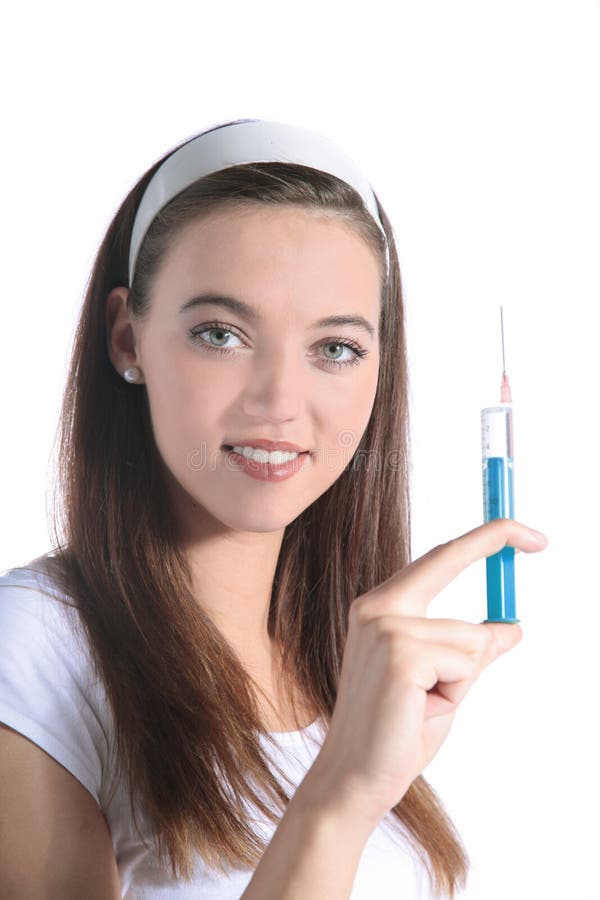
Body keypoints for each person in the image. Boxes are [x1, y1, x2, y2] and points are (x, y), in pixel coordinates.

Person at [0, 118, 548, 899]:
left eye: (335, 349)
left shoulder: (343, 665)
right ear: (128, 339)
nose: (281, 404)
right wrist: (339, 798)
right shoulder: (36, 651)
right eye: (221, 334)